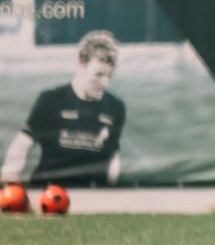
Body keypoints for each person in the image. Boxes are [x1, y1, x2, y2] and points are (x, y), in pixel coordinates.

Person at [7, 30, 127, 190]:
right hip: (48, 191)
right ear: (81, 65)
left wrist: (112, 196)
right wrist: (8, 185)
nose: (104, 83)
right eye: (98, 75)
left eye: (109, 76)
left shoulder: (116, 107)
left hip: (92, 194)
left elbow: (113, 158)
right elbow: (22, 145)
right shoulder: (50, 100)